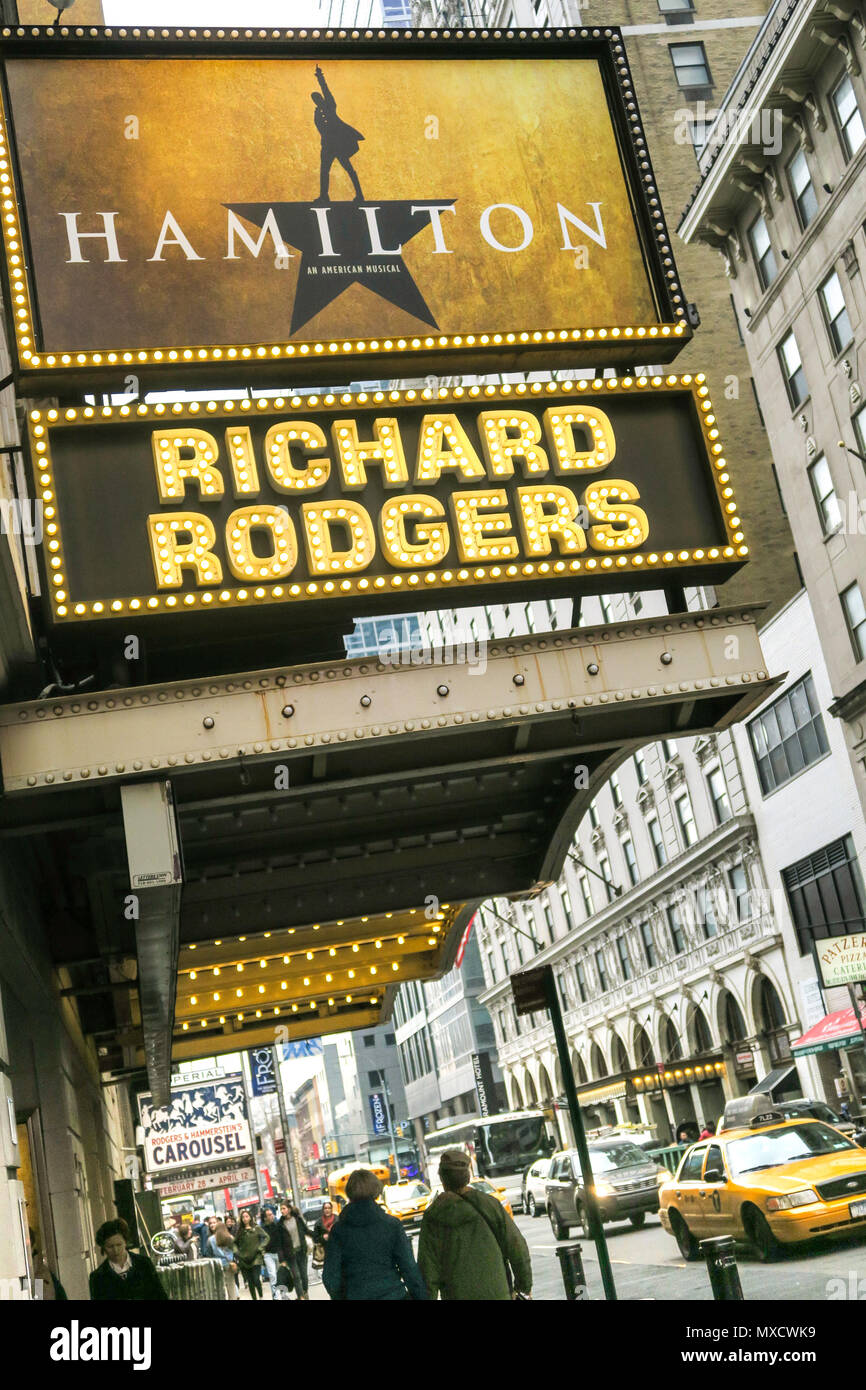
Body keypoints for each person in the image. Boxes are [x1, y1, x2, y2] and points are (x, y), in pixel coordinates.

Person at [417, 1149, 532, 1301]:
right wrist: (523, 1287)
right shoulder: (490, 1205)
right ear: (467, 1176)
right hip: (498, 1292)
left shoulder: (433, 1216)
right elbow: (517, 1247)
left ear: (442, 1178)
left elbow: (428, 1269)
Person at [322, 1168, 427, 1301]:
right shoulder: (391, 1225)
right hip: (393, 1294)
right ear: (376, 1191)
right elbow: (409, 1268)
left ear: (349, 1193)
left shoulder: (339, 1231)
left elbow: (330, 1277)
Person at [311, 64, 365, 202]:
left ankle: (360, 194)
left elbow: (325, 89)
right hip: (328, 146)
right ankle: (324, 196)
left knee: (349, 169)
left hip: (338, 144)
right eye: (315, 100)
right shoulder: (317, 114)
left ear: (322, 98)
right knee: (324, 171)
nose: (317, 100)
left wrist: (320, 77)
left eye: (318, 98)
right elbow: (320, 129)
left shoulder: (330, 105)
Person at [89, 1219, 169, 1301]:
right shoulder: (97, 1277)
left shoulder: (144, 1264)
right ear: (103, 1247)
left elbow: (160, 1295)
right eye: (110, 1247)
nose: (115, 1250)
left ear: (125, 1242)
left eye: (119, 1245)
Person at [278, 1200, 314, 1300]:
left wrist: (317, 1236)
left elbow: (306, 1230)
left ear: (289, 1209)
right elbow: (279, 1244)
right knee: (296, 1277)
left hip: (301, 1252)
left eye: (284, 1208)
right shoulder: (280, 1224)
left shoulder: (297, 1219)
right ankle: (301, 1297)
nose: (282, 1211)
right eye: (281, 1209)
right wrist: (282, 1260)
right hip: (290, 1255)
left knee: (304, 1277)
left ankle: (304, 1293)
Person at [234, 1208, 268, 1300]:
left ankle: (261, 1296)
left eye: (246, 1216)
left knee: (256, 1279)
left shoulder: (256, 1228)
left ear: (250, 1217)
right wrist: (237, 1253)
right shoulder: (240, 1231)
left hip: (256, 1258)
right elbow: (234, 1243)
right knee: (250, 1282)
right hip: (244, 1260)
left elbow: (266, 1237)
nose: (245, 1219)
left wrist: (260, 1247)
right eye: (243, 1217)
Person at [261, 1207, 293, 1299]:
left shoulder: (278, 1225)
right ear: (265, 1218)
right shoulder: (262, 1228)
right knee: (273, 1275)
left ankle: (283, 1294)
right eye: (269, 1215)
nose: (272, 1216)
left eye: (272, 1214)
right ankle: (276, 1296)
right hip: (268, 1254)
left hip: (279, 1254)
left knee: (281, 1276)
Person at [208, 1221, 239, 1301]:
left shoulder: (210, 1240)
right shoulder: (230, 1237)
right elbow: (236, 1251)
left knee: (220, 1286)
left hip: (217, 1265)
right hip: (229, 1264)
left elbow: (209, 1254)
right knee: (231, 1285)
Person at [312, 1200, 337, 1266]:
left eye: (329, 1208)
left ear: (332, 1209)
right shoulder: (318, 1223)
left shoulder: (337, 1219)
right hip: (325, 1252)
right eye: (325, 1208)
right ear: (323, 1210)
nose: (327, 1210)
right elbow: (315, 1238)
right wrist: (323, 1237)